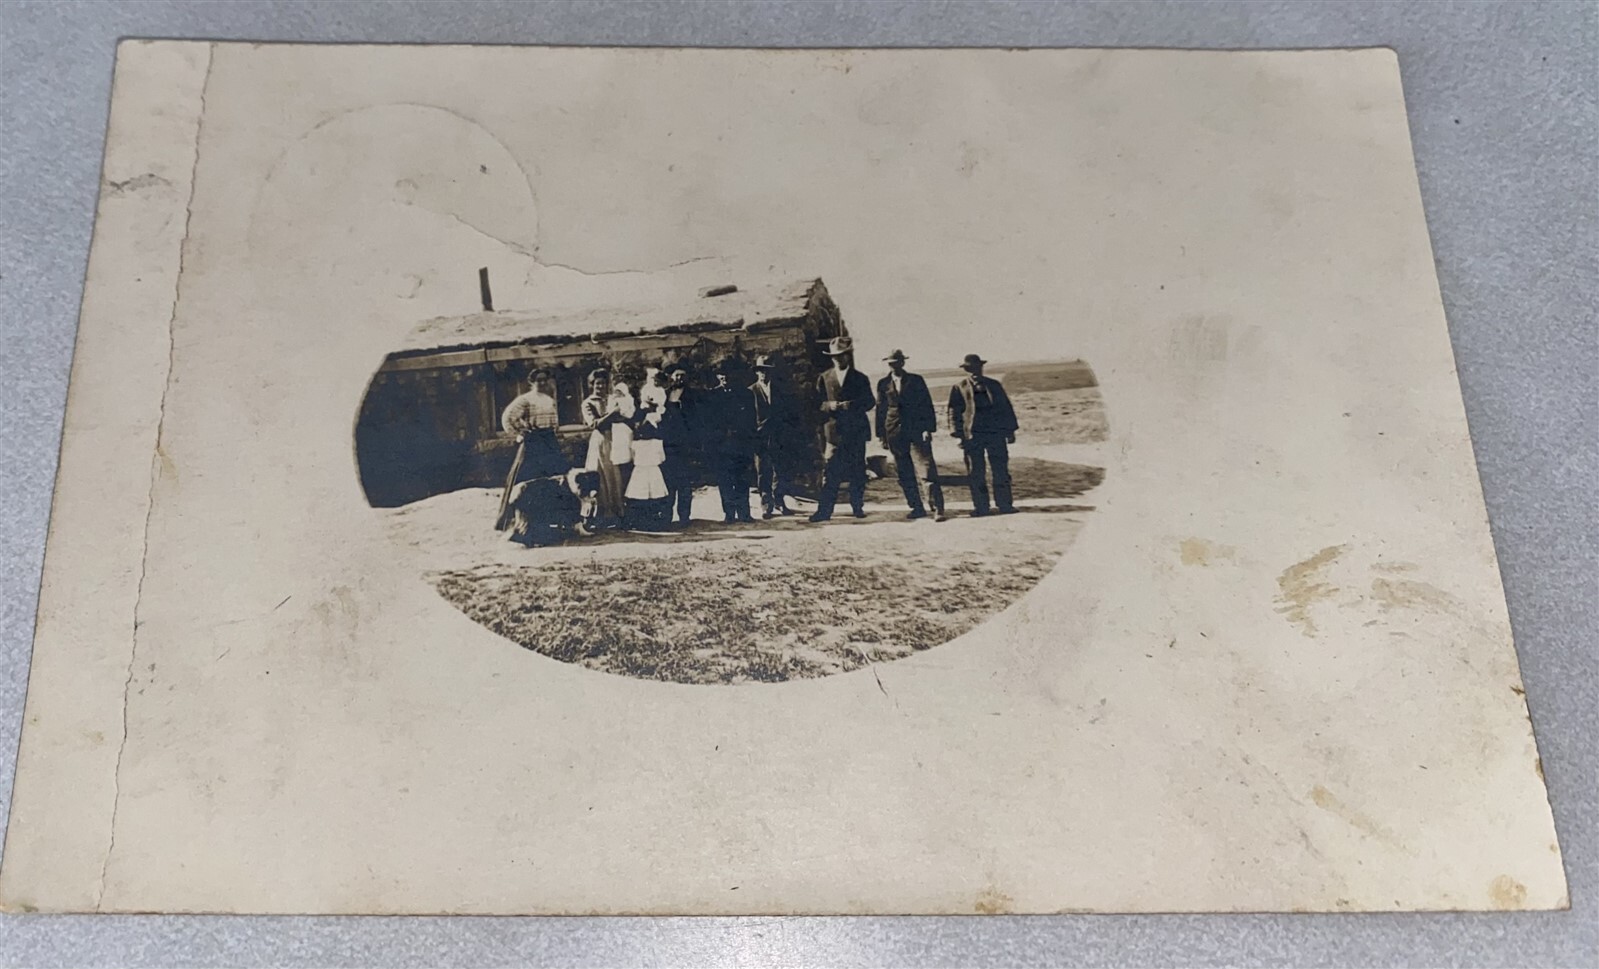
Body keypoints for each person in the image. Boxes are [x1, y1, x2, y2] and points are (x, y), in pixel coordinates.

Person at [809, 335, 875, 522]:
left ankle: (857, 506)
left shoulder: (860, 378)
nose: (839, 359)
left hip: (855, 433)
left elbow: (869, 402)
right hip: (834, 435)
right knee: (830, 472)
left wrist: (851, 405)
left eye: (843, 355)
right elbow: (815, 403)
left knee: (857, 472)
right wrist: (830, 406)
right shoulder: (824, 378)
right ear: (831, 358)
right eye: (836, 356)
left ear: (848, 356)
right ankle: (824, 511)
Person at [875, 349, 945, 521]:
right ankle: (916, 507)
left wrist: (928, 429)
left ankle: (937, 509)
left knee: (926, 470)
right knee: (904, 473)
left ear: (903, 363)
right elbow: (880, 411)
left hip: (916, 431)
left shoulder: (916, 381)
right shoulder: (883, 384)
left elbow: (926, 405)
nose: (894, 366)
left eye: (897, 362)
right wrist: (881, 436)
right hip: (894, 434)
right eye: (891, 363)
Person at [946, 353, 1019, 516]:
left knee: (1000, 469)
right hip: (972, 436)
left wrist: (1010, 430)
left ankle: (1005, 504)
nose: (974, 371)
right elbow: (953, 411)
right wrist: (957, 433)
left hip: (995, 434)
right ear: (966, 370)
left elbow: (1006, 408)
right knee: (975, 472)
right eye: (970, 369)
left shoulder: (994, 385)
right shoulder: (960, 387)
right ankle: (981, 507)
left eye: (977, 368)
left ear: (982, 367)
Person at [494, 369, 566, 532]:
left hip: (549, 442)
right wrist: (519, 434)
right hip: (534, 443)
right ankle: (522, 522)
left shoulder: (549, 399)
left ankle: (552, 521)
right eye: (538, 380)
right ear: (532, 382)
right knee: (528, 482)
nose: (542, 383)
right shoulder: (525, 399)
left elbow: (554, 422)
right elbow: (508, 417)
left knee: (554, 480)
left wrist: (554, 435)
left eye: (544, 380)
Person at [706, 358, 756, 523]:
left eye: (727, 374)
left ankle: (744, 513)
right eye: (721, 375)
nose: (724, 378)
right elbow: (709, 423)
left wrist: (747, 439)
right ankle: (729, 513)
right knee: (725, 480)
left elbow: (751, 420)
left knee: (742, 478)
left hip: (741, 444)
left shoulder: (745, 394)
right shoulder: (713, 396)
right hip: (721, 447)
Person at [580, 368, 631, 529]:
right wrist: (612, 414)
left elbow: (624, 416)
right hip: (601, 441)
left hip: (617, 439)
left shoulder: (612, 399)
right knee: (600, 477)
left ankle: (619, 513)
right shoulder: (588, 403)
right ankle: (601, 515)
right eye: (597, 383)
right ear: (592, 385)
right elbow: (595, 424)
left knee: (617, 476)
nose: (600, 387)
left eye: (603, 383)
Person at [749, 354, 797, 518]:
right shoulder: (751, 391)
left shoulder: (781, 390)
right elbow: (747, 418)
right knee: (763, 471)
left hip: (778, 437)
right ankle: (766, 505)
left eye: (767, 371)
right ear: (757, 372)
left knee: (780, 469)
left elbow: (788, 414)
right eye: (761, 371)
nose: (764, 374)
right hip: (760, 438)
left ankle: (779, 501)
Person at [658, 364, 699, 526]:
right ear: (671, 377)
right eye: (677, 375)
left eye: (683, 375)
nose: (679, 378)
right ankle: (667, 515)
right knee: (668, 480)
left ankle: (684, 516)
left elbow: (696, 421)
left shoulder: (692, 396)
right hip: (667, 445)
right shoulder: (664, 394)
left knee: (684, 482)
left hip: (684, 444)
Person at [624, 408, 672, 530]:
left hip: (639, 471)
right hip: (653, 471)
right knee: (655, 496)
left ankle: (641, 521)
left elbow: (633, 458)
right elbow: (662, 458)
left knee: (640, 497)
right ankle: (654, 521)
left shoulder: (635, 444)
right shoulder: (657, 443)